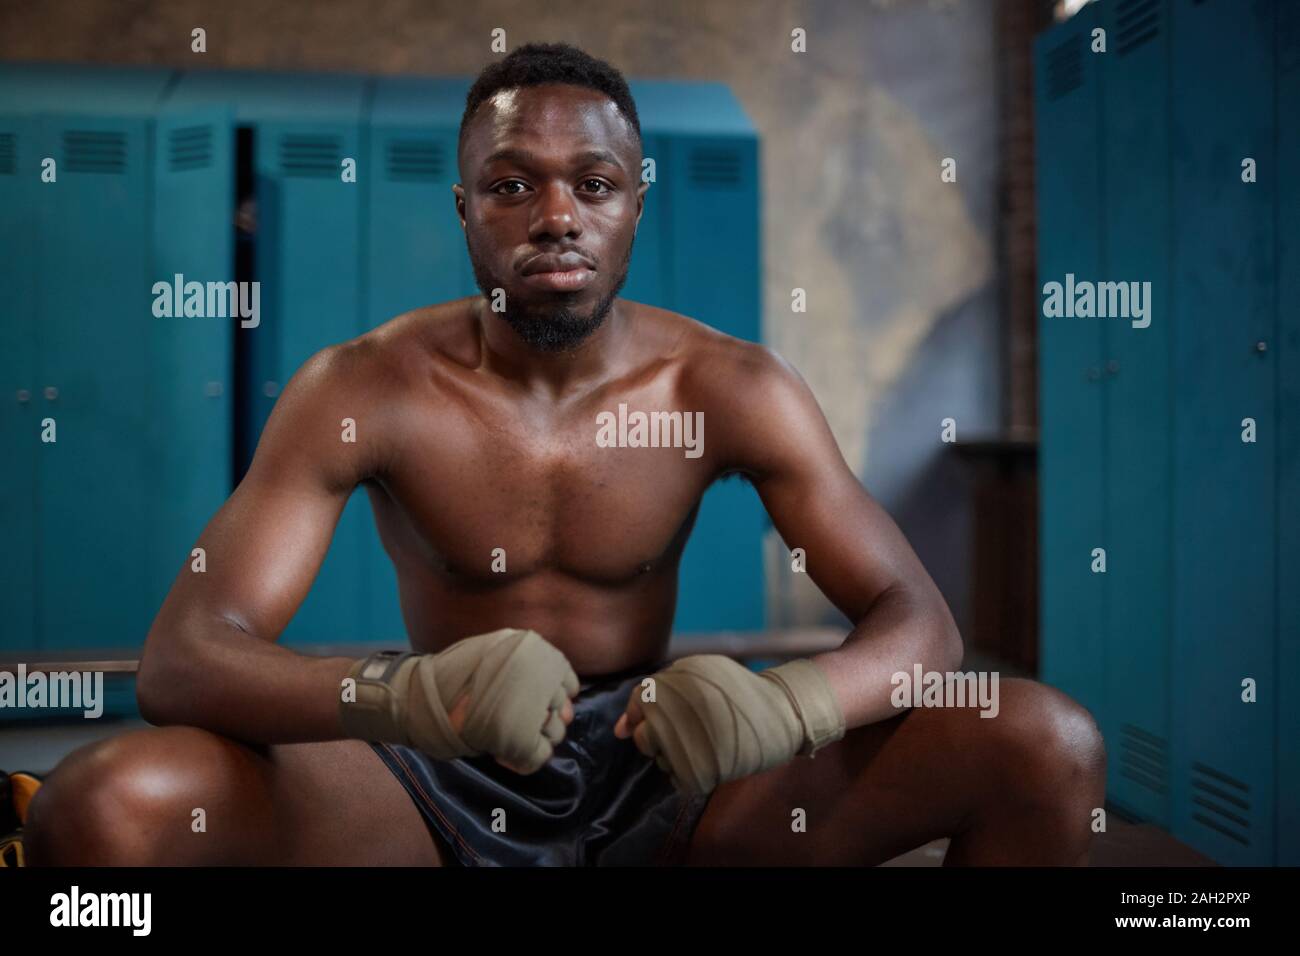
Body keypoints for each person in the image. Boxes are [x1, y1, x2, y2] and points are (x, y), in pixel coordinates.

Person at [24, 42, 1104, 867]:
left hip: (671, 767)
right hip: (424, 775)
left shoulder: (726, 387)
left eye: (593, 183)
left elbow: (921, 622)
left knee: (1042, 741)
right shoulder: (362, 387)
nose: (555, 217)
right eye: (512, 185)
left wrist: (783, 707)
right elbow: (184, 656)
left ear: (637, 204)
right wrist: (404, 697)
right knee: (105, 804)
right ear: (464, 210)